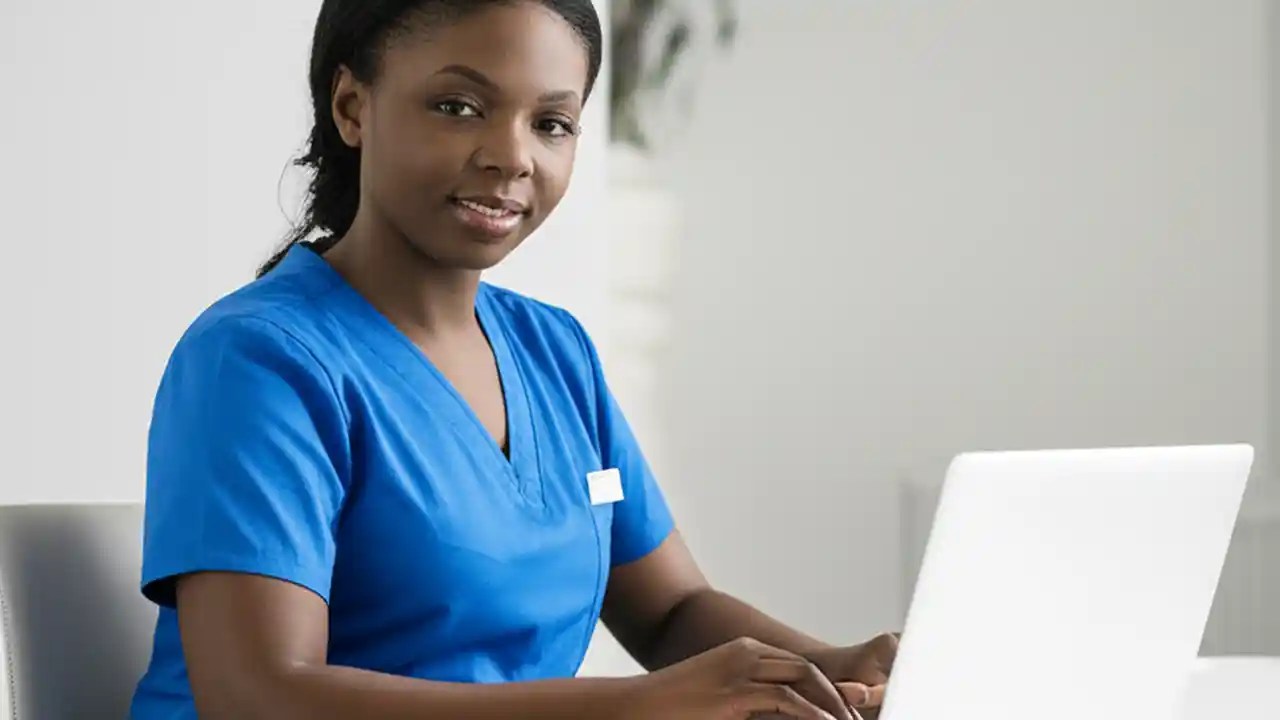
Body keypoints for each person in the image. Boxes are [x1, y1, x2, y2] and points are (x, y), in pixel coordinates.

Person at [129, 1, 898, 718]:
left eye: (552, 124)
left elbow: (671, 611)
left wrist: (835, 667)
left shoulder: (555, 351)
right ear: (352, 107)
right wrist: (640, 707)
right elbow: (259, 694)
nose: (512, 156)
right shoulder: (259, 361)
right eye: (458, 107)